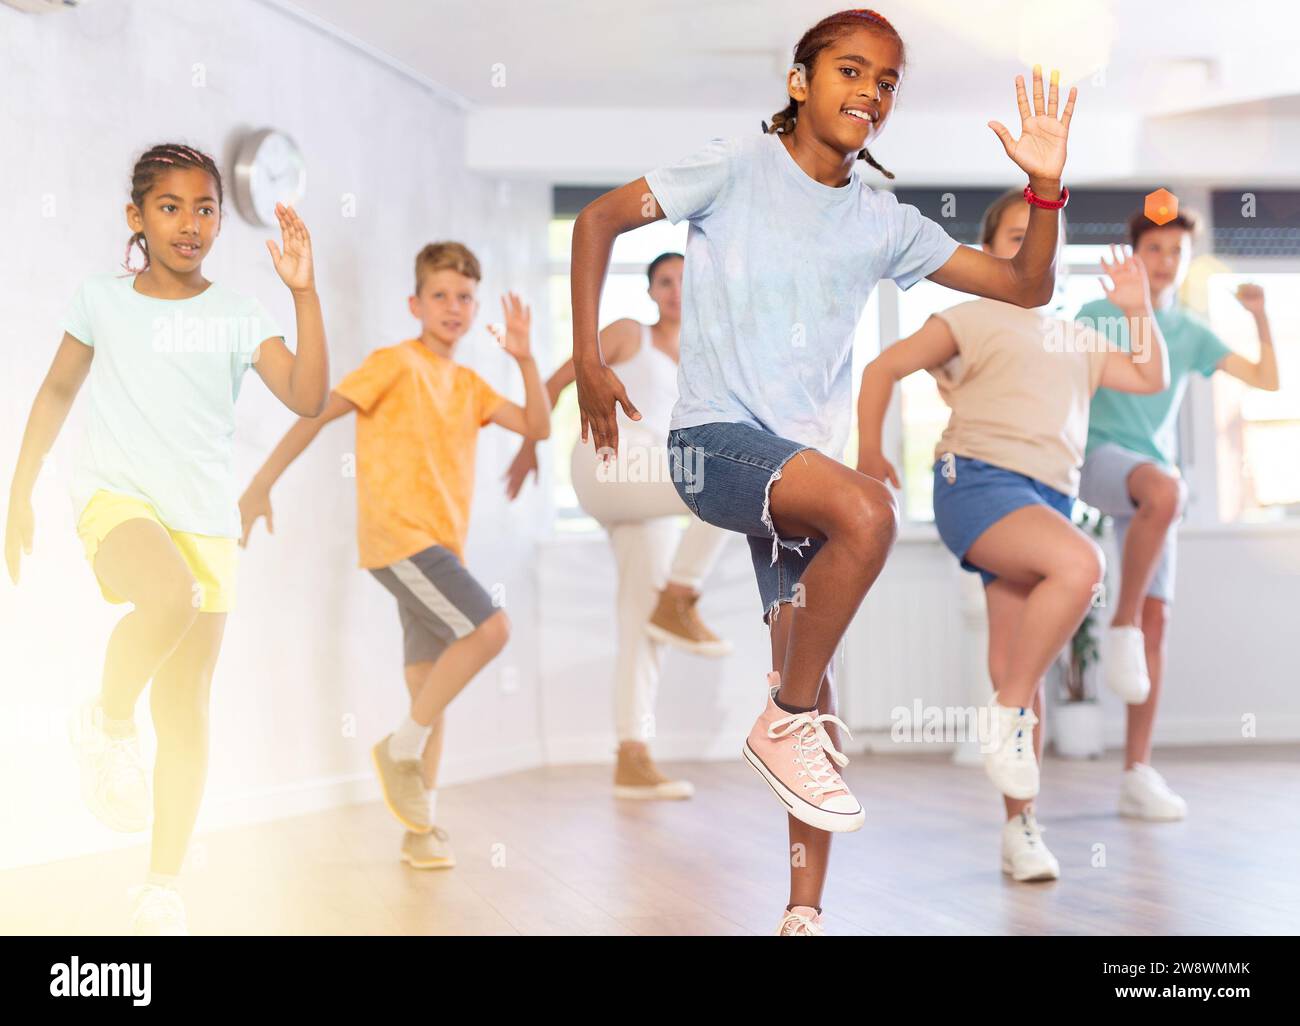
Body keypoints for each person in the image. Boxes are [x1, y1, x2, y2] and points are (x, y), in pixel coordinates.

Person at [569, 7, 1078, 933]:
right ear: (801, 82)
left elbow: (1026, 287)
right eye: (851, 71)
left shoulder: (881, 221)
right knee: (869, 516)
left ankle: (803, 910)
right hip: (712, 445)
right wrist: (590, 360)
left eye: (886, 82)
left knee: (814, 706)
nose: (870, 93)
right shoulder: (734, 169)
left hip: (796, 479)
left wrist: (1044, 192)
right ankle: (783, 717)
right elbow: (597, 221)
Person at [4, 143, 330, 934]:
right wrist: (20, 490)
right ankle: (108, 719)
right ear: (137, 219)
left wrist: (305, 292)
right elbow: (54, 389)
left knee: (185, 709)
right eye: (170, 207)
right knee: (165, 597)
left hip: (205, 523)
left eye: (205, 208)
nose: (189, 223)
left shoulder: (238, 315)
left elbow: (309, 396)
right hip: (117, 502)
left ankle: (160, 885)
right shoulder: (101, 301)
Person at [857, 189, 1168, 880]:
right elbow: (883, 368)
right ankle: (1001, 718)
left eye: (1043, 238)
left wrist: (1137, 307)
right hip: (976, 483)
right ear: (991, 252)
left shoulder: (1073, 337)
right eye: (1016, 236)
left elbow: (1150, 376)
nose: (1033, 247)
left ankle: (1020, 828)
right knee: (1082, 567)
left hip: (1045, 498)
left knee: (1017, 672)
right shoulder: (968, 316)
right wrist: (870, 454)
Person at [240, 242, 549, 870]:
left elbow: (538, 427)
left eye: (464, 298)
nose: (453, 307)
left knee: (427, 684)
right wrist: (260, 482)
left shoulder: (469, 383)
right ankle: (398, 749)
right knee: (492, 629)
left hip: (439, 547)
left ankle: (420, 829)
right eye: (439, 295)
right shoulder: (394, 364)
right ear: (415, 304)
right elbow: (317, 414)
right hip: (401, 541)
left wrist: (524, 357)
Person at [505, 252, 732, 800]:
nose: (677, 291)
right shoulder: (630, 334)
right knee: (730, 480)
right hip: (608, 461)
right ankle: (682, 593)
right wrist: (528, 444)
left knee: (641, 623)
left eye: (686, 281)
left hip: (653, 486)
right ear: (651, 292)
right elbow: (560, 381)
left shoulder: (707, 363)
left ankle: (632, 757)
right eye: (665, 282)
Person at [1076, 207, 1279, 820]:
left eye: (1176, 251)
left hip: (1151, 482)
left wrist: (1261, 316)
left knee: (1158, 619)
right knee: (1168, 490)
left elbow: (1265, 379)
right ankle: (1120, 624)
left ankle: (1137, 772)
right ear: (1134, 252)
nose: (1165, 260)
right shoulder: (1095, 316)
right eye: (1155, 248)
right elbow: (1063, 387)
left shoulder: (1190, 330)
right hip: (1097, 461)